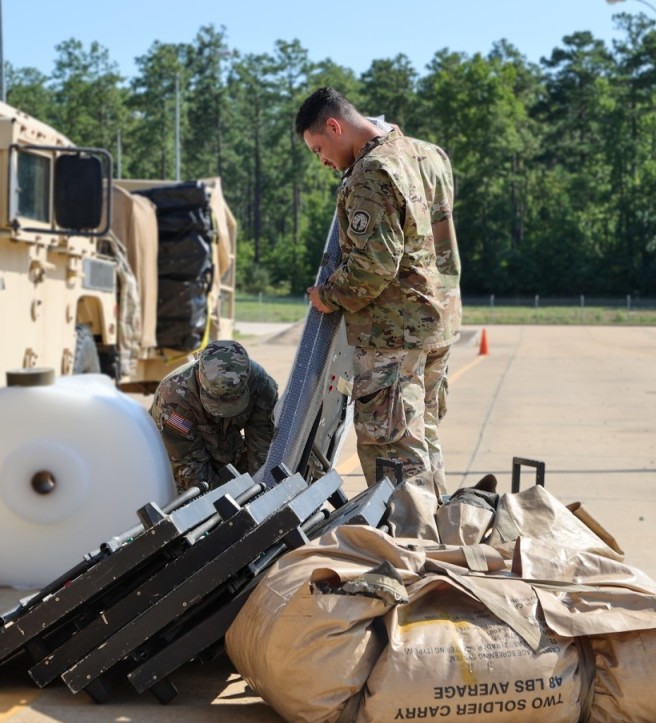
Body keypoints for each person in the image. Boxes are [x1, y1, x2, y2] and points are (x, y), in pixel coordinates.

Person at [294, 87, 461, 536]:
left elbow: (373, 267)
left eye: (319, 149)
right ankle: (443, 537)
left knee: (395, 450)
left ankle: (414, 551)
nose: (323, 161)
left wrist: (326, 295)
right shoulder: (430, 155)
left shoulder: (372, 172)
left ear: (335, 126)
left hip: (394, 337)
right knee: (423, 438)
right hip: (438, 325)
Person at [150, 340, 278, 491]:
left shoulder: (261, 385)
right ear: (199, 375)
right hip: (180, 461)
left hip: (228, 454)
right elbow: (189, 465)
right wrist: (220, 501)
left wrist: (259, 491)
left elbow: (262, 448)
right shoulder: (174, 398)